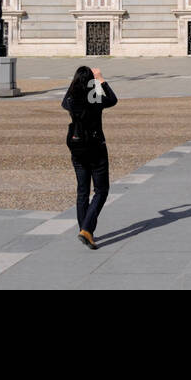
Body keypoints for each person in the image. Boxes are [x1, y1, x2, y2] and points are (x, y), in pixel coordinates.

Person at [62, 65, 118, 250]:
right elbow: (113, 99)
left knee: (83, 192)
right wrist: (100, 79)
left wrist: (75, 82)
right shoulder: (95, 97)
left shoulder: (71, 99)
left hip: (77, 148)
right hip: (95, 148)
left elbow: (64, 102)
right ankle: (86, 230)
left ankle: (85, 231)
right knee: (101, 190)